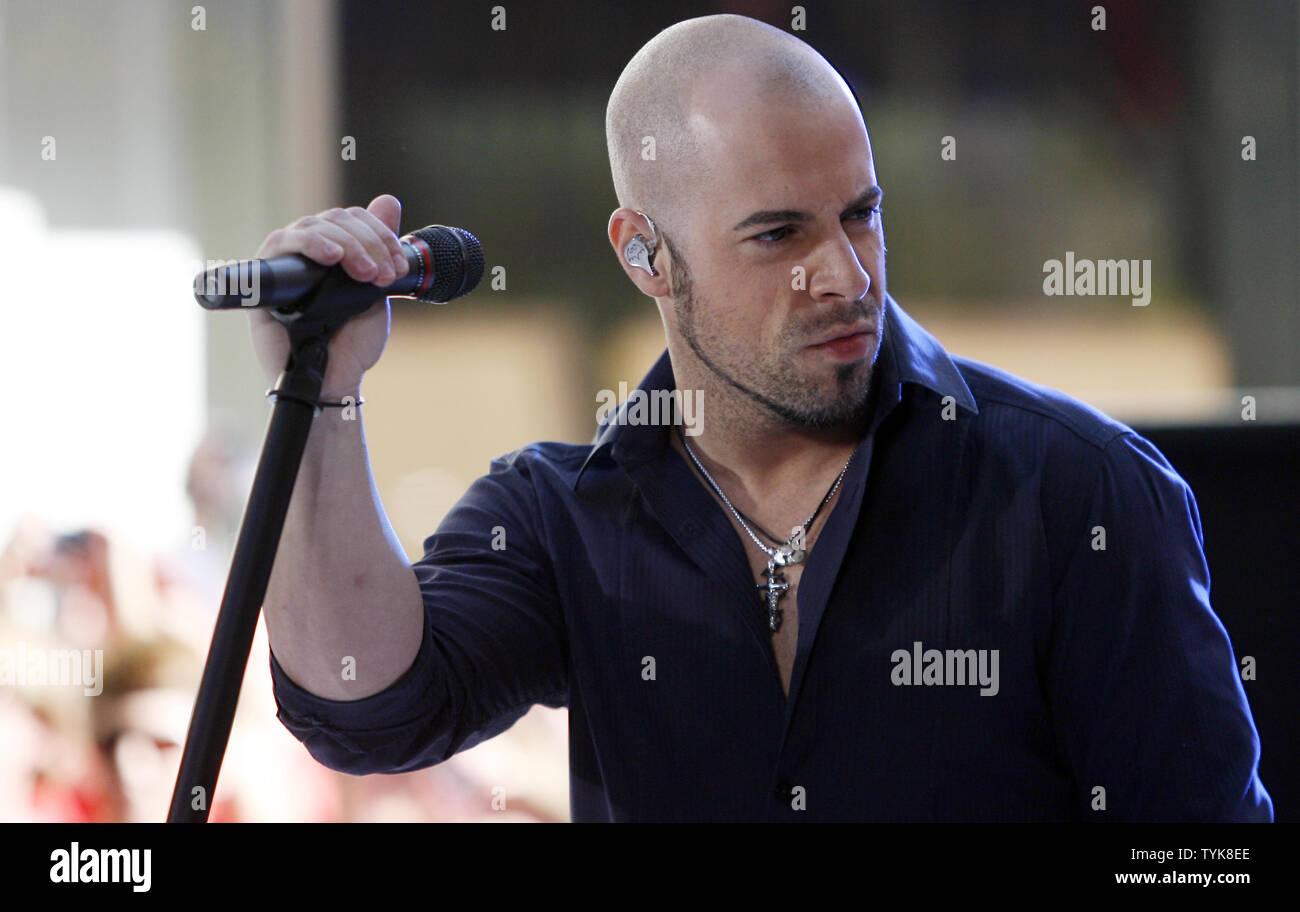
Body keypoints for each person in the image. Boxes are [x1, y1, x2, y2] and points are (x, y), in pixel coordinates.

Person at [259, 14, 1272, 821]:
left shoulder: (1076, 491)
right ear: (643, 253)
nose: (843, 274)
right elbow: (366, 709)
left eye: (861, 213)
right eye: (778, 232)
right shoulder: (564, 517)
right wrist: (322, 395)